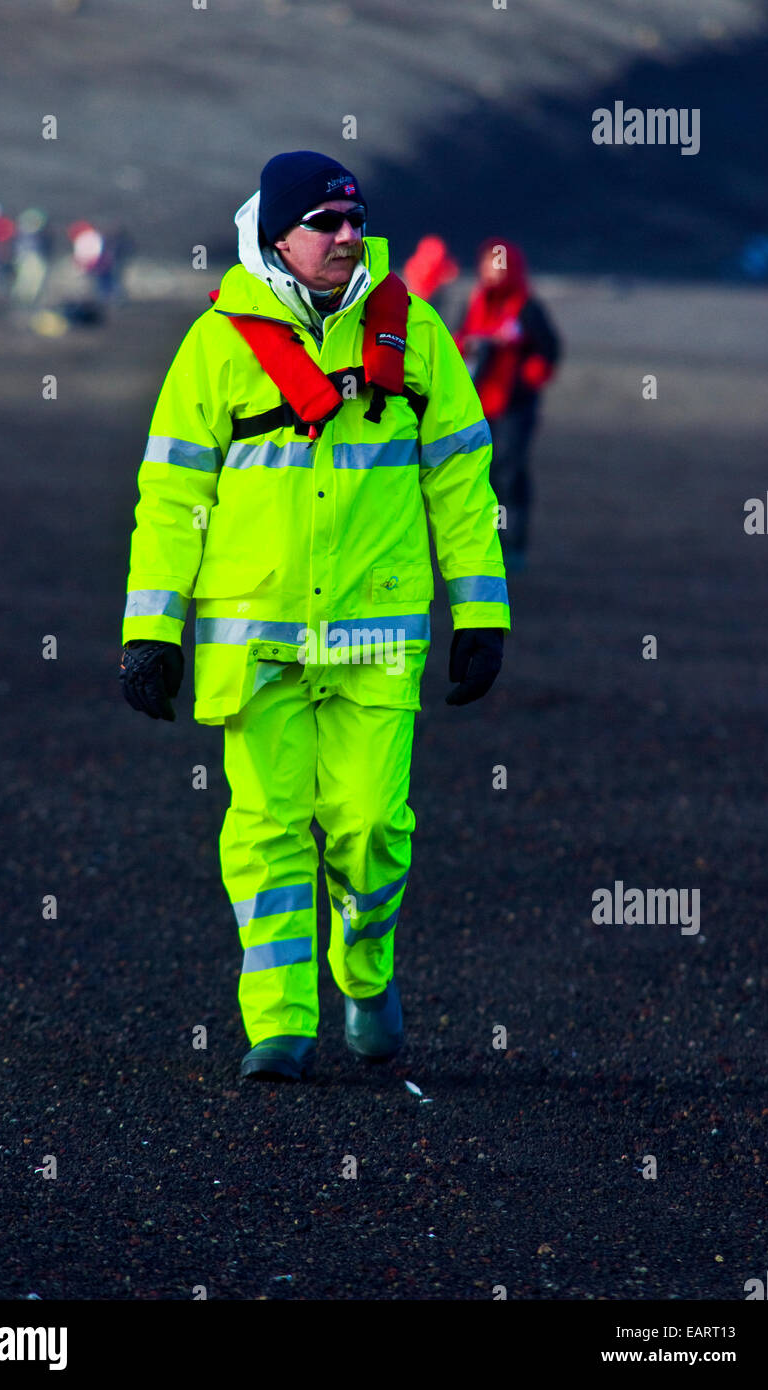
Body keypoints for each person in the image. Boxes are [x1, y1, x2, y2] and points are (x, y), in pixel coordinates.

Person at [119, 151, 510, 1083]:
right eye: (326, 222)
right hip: (252, 641)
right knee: (266, 830)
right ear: (278, 236)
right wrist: (150, 631)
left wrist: (482, 611)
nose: (348, 236)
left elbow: (461, 481)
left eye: (354, 219)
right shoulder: (215, 345)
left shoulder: (412, 335)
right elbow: (172, 498)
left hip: (378, 634)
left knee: (374, 823)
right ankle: (280, 1024)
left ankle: (365, 979)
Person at [455, 239, 561, 571]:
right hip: (479, 404)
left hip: (514, 407)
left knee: (509, 470)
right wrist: (474, 346)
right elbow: (456, 341)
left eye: (499, 264)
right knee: (479, 472)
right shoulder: (475, 303)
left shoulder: (528, 307)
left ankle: (513, 543)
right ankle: (484, 543)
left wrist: (529, 377)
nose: (494, 270)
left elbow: (549, 349)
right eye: (489, 263)